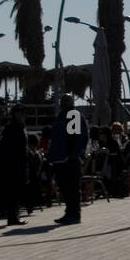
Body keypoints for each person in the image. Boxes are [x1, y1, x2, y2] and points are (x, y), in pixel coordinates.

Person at [49, 95, 90, 225]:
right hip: (59, 158)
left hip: (69, 159)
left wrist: (73, 154)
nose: (64, 103)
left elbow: (77, 137)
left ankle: (74, 214)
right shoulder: (61, 116)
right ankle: (69, 212)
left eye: (66, 101)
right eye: (63, 101)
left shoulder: (73, 115)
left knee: (71, 187)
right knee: (64, 187)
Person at [0, 105, 28, 226]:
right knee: (13, 191)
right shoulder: (12, 128)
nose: (22, 115)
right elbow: (10, 148)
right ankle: (13, 217)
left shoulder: (20, 127)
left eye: (23, 113)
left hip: (18, 164)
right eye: (19, 112)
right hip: (13, 165)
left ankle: (14, 216)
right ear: (14, 114)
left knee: (16, 191)